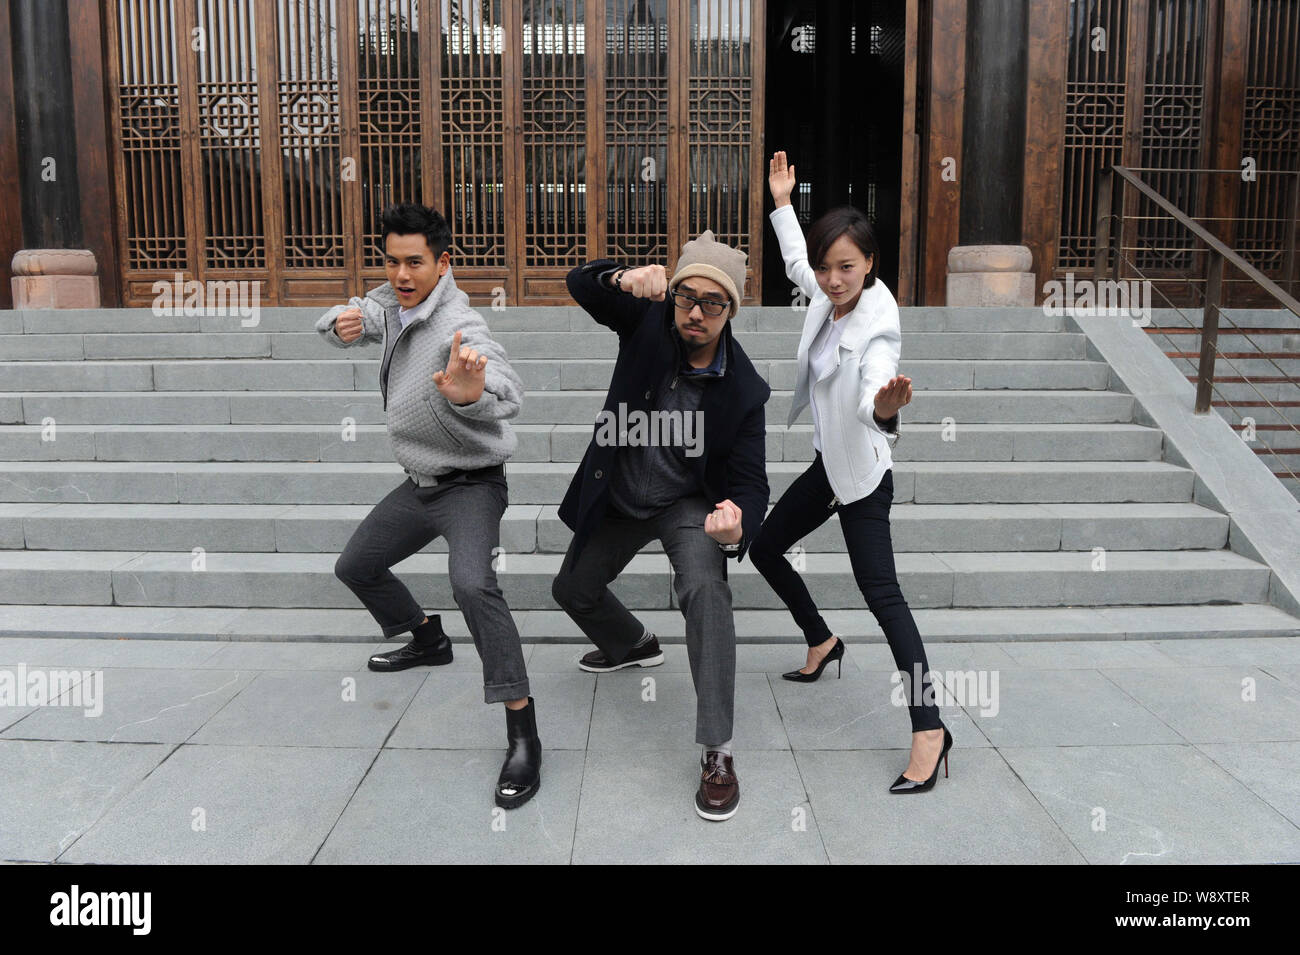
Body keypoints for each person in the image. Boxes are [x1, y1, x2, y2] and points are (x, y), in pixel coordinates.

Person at [314, 202, 541, 809]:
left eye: (415, 262)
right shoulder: (394, 303)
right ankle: (426, 638)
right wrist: (340, 319)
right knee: (355, 566)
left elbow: (509, 390)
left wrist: (473, 394)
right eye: (391, 262)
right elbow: (367, 311)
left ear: (444, 263)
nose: (401, 274)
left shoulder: (458, 327)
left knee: (471, 582)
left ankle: (523, 730)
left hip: (471, 486)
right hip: (420, 484)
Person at [751, 151, 953, 793]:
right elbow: (793, 265)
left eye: (847, 267)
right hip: (827, 467)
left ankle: (930, 729)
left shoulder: (878, 327)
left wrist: (884, 409)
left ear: (869, 264)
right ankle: (820, 639)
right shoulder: (822, 292)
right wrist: (783, 203)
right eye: (826, 267)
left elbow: (871, 391)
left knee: (883, 596)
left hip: (863, 477)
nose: (833, 280)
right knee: (763, 547)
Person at [551, 232, 770, 821]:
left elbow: (751, 481)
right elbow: (579, 283)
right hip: (621, 495)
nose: (694, 313)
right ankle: (633, 644)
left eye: (712, 303)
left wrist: (737, 523)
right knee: (570, 591)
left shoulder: (746, 390)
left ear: (731, 310)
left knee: (705, 590)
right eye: (685, 297)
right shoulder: (648, 323)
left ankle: (718, 751)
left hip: (687, 503)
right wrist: (621, 277)